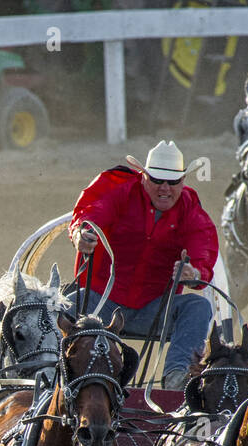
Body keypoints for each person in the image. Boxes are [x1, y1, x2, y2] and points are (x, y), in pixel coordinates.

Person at [69, 140, 219, 390]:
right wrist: (81, 234)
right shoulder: (121, 191)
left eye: (172, 182)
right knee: (65, 304)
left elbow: (202, 245)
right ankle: (51, 371)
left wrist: (194, 272)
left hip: (153, 309)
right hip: (101, 303)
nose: (164, 188)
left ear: (182, 182)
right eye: (157, 180)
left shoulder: (190, 209)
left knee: (198, 307)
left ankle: (176, 377)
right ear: (143, 177)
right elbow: (92, 213)